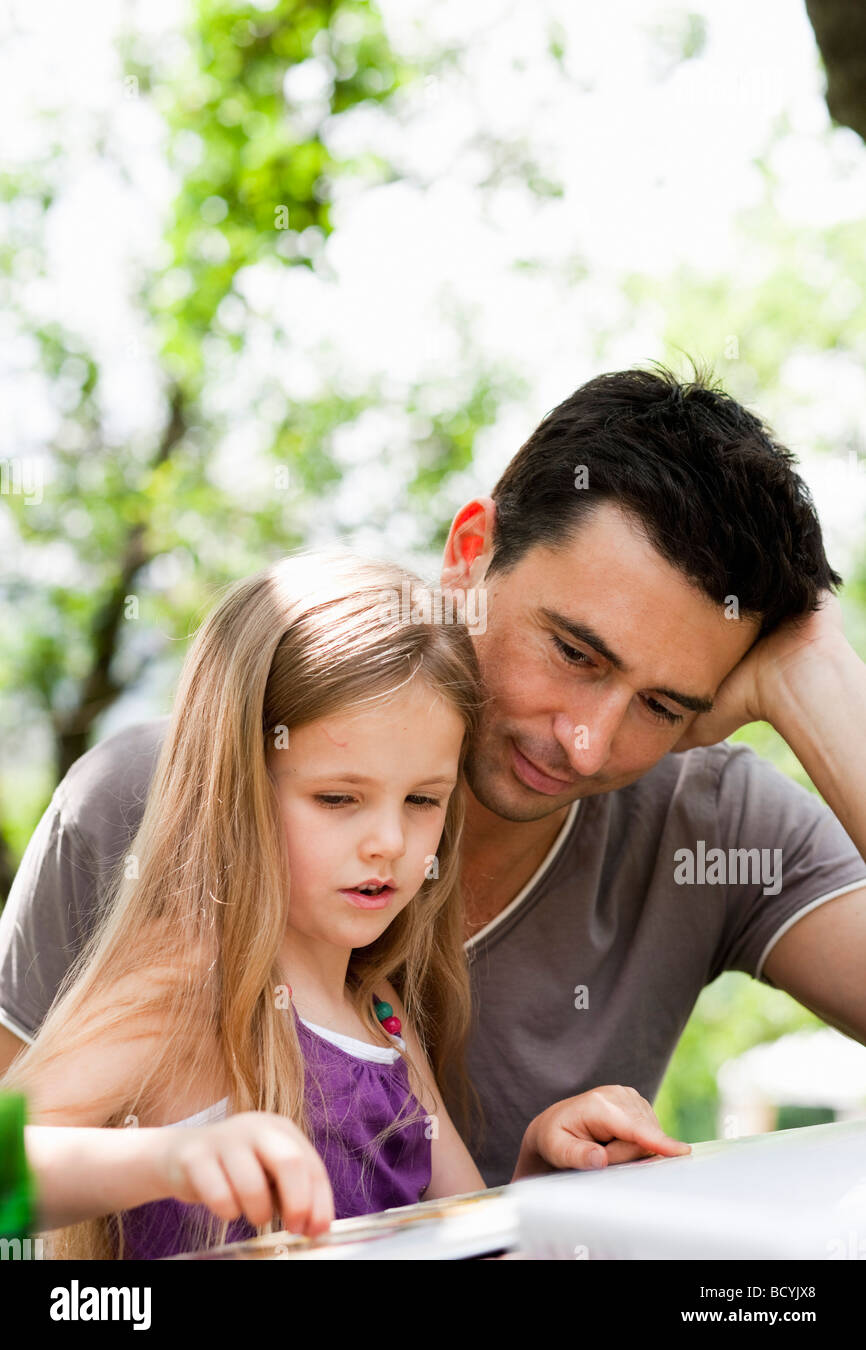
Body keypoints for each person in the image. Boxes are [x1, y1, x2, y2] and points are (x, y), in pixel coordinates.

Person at [2, 366, 865, 1188]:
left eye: (665, 706)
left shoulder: (712, 827)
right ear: (472, 552)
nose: (588, 745)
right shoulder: (144, 804)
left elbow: (458, 1221)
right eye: (573, 652)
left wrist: (821, 683)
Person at [2, 551, 688, 1258]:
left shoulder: (383, 1017)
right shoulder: (186, 986)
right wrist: (166, 1163)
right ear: (238, 785)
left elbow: (463, 1239)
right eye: (338, 798)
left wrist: (538, 1178)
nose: (388, 842)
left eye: (423, 801)